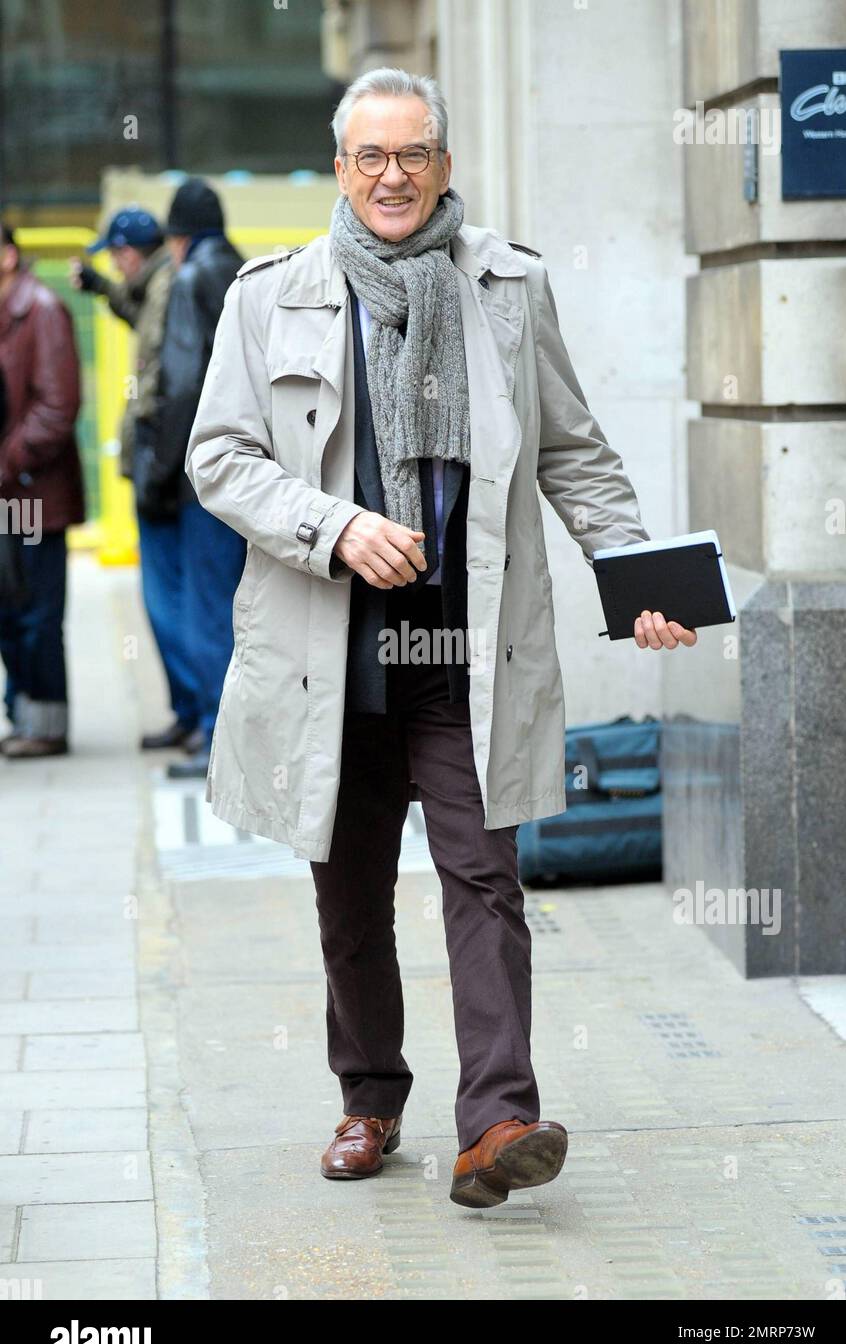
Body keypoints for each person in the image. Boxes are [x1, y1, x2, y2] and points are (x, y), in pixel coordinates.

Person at [185, 68, 697, 1208]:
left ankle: (497, 1119)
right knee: (349, 891)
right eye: (369, 157)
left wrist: (635, 575)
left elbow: (572, 451)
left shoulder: (507, 289)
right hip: (333, 643)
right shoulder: (270, 296)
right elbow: (219, 459)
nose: (391, 177)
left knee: (484, 878)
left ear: (444, 166)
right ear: (339, 171)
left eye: (412, 154)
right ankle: (369, 1098)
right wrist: (335, 525)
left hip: (463, 649)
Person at [70, 207, 197, 752]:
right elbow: (135, 313)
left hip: (163, 466)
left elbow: (165, 380)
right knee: (164, 598)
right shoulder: (156, 286)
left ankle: (199, 715)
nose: (116, 268)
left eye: (115, 258)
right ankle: (189, 713)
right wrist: (102, 290)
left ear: (129, 253)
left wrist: (157, 467)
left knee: (169, 598)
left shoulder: (168, 288)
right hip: (160, 464)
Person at [144, 179, 246, 777]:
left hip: (200, 478)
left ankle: (216, 743)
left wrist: (159, 471)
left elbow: (181, 386)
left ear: (179, 239)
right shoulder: (244, 271)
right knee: (243, 610)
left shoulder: (187, 280)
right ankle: (247, 742)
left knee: (204, 611)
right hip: (251, 473)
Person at [0, 223, 85, 759]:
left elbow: (57, 409)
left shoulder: (41, 309)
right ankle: (26, 713)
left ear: (8, 256)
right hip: (11, 491)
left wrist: (7, 462)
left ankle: (48, 724)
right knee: (10, 608)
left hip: (33, 493)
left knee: (35, 611)